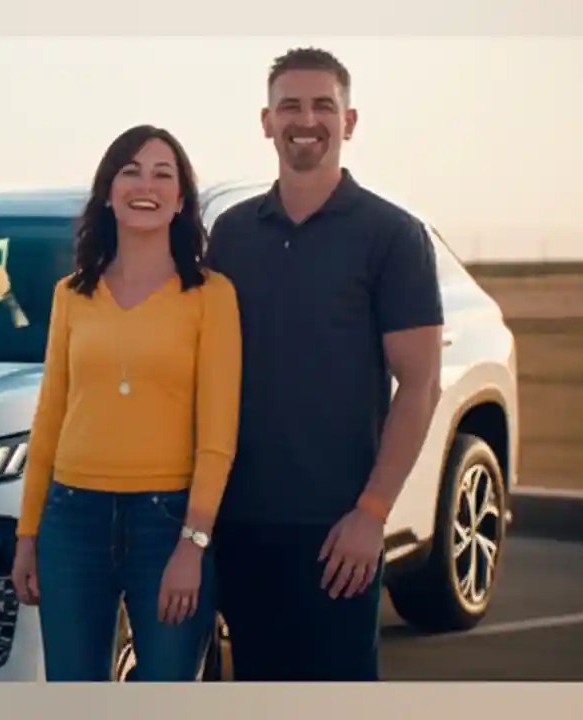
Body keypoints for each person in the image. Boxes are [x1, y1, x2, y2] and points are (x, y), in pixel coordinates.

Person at [205, 47, 444, 681]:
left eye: (321, 106)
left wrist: (371, 514)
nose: (304, 120)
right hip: (241, 523)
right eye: (289, 106)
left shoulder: (392, 235)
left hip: (338, 528)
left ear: (349, 120)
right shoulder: (230, 234)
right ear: (265, 121)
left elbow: (419, 387)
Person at [9, 124, 243, 682]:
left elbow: (217, 438)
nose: (146, 185)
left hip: (167, 524)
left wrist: (193, 545)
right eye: (131, 171)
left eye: (164, 174)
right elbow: (49, 419)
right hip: (72, 520)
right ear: (109, 191)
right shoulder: (72, 294)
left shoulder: (211, 296)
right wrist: (28, 535)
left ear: (181, 200)